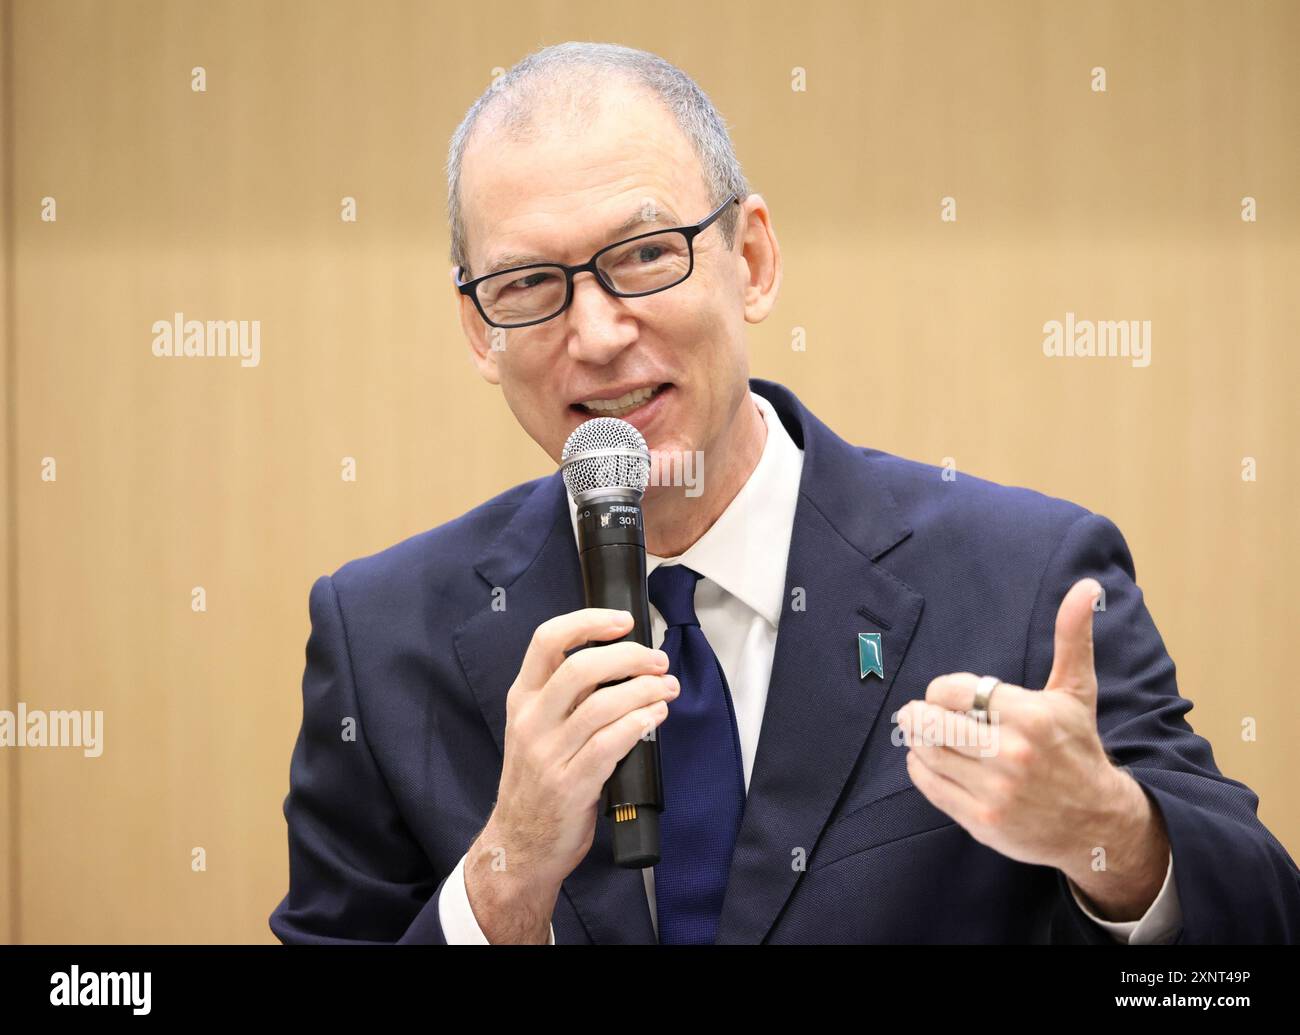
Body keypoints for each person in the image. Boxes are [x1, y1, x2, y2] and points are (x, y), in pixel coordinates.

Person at [269, 42, 1300, 944]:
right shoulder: (379, 638)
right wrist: (508, 870)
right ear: (479, 333)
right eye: (529, 284)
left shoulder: (1024, 580)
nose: (594, 334)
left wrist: (1109, 835)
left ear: (750, 259)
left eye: (641, 256)